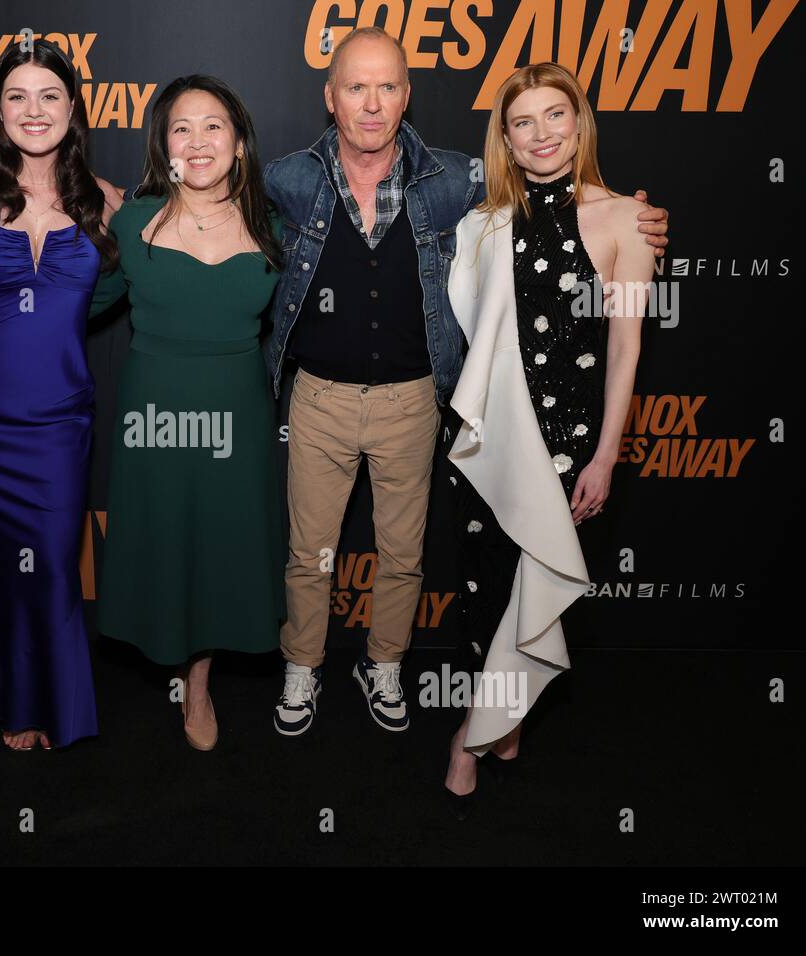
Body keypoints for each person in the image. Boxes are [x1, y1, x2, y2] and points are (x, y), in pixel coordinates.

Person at [261, 27, 669, 737]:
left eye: (388, 86)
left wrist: (639, 222)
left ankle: (384, 665)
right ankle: (303, 667)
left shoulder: (453, 179)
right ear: (330, 98)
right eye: (356, 87)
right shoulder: (287, 179)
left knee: (404, 553)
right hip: (319, 399)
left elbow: (555, 196)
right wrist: (127, 203)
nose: (372, 103)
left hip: (418, 397)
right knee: (309, 553)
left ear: (406, 95)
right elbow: (210, 204)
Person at [440, 61, 653, 819]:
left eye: (554, 115)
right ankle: (500, 719)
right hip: (490, 436)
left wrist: (605, 455)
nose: (541, 134)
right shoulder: (484, 223)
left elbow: (626, 349)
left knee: (538, 590)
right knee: (486, 589)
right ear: (504, 135)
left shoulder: (629, 220)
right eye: (522, 121)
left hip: (568, 443)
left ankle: (474, 731)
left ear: (579, 121)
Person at [0, 40, 121, 752]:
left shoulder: (105, 202)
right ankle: (12, 703)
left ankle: (42, 698)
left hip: (57, 422)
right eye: (17, 96)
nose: (33, 110)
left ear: (73, 110)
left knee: (46, 558)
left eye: (49, 96)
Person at [90, 75, 285, 751]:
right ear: (161, 144)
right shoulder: (133, 221)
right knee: (168, 537)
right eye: (181, 127)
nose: (197, 141)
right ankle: (172, 668)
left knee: (220, 544)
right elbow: (81, 303)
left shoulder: (274, 225)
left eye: (213, 126)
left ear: (238, 143)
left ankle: (198, 686)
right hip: (155, 414)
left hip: (238, 414)